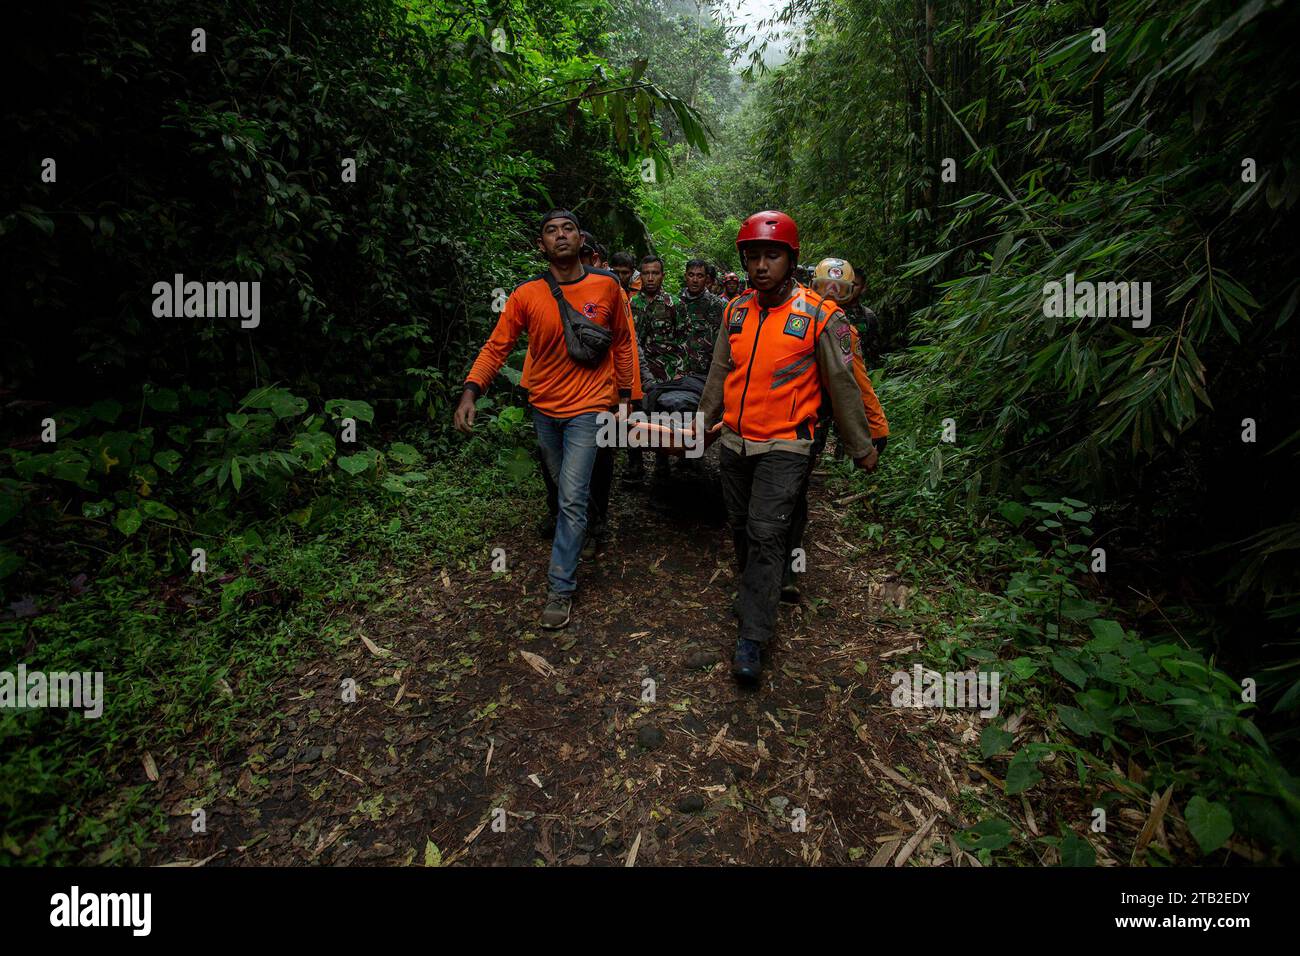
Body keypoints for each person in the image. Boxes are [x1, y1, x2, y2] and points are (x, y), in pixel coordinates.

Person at [697, 211, 878, 682]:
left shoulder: (825, 316)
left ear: (791, 260)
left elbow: (844, 384)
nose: (761, 265)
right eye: (753, 256)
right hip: (735, 441)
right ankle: (758, 585)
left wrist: (862, 445)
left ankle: (752, 637)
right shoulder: (734, 311)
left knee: (765, 530)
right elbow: (720, 372)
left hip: (788, 444)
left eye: (771, 255)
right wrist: (703, 423)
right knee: (739, 525)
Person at [455, 209, 639, 629]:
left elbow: (625, 345)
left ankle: (561, 587)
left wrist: (627, 399)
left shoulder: (608, 287)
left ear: (581, 241)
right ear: (541, 245)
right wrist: (471, 391)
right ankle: (593, 527)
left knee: (571, 495)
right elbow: (496, 346)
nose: (560, 236)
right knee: (562, 491)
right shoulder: (526, 295)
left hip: (590, 408)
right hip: (544, 410)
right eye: (551, 231)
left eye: (568, 229)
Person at [780, 257, 890, 601]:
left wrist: (874, 428)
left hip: (808, 423)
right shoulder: (787, 310)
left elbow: (855, 381)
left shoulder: (843, 328)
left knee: (793, 492)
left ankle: (788, 570)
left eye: (839, 290)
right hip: (772, 417)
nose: (831, 295)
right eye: (825, 287)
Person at [629, 255, 678, 483]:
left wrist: (680, 371)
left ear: (662, 276)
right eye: (646, 273)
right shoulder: (630, 305)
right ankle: (635, 465)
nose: (650, 278)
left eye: (655, 273)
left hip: (664, 374)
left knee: (662, 420)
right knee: (634, 417)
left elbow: (684, 339)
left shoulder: (673, 304)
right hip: (636, 373)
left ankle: (662, 464)